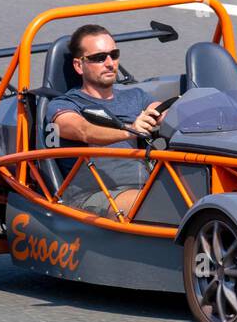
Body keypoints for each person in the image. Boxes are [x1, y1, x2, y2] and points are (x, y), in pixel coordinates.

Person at [45, 23, 164, 219]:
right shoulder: (64, 104)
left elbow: (162, 112)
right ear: (78, 65)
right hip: (92, 195)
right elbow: (83, 130)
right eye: (99, 58)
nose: (110, 63)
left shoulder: (136, 97)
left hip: (145, 186)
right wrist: (130, 130)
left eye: (114, 54)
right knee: (154, 205)